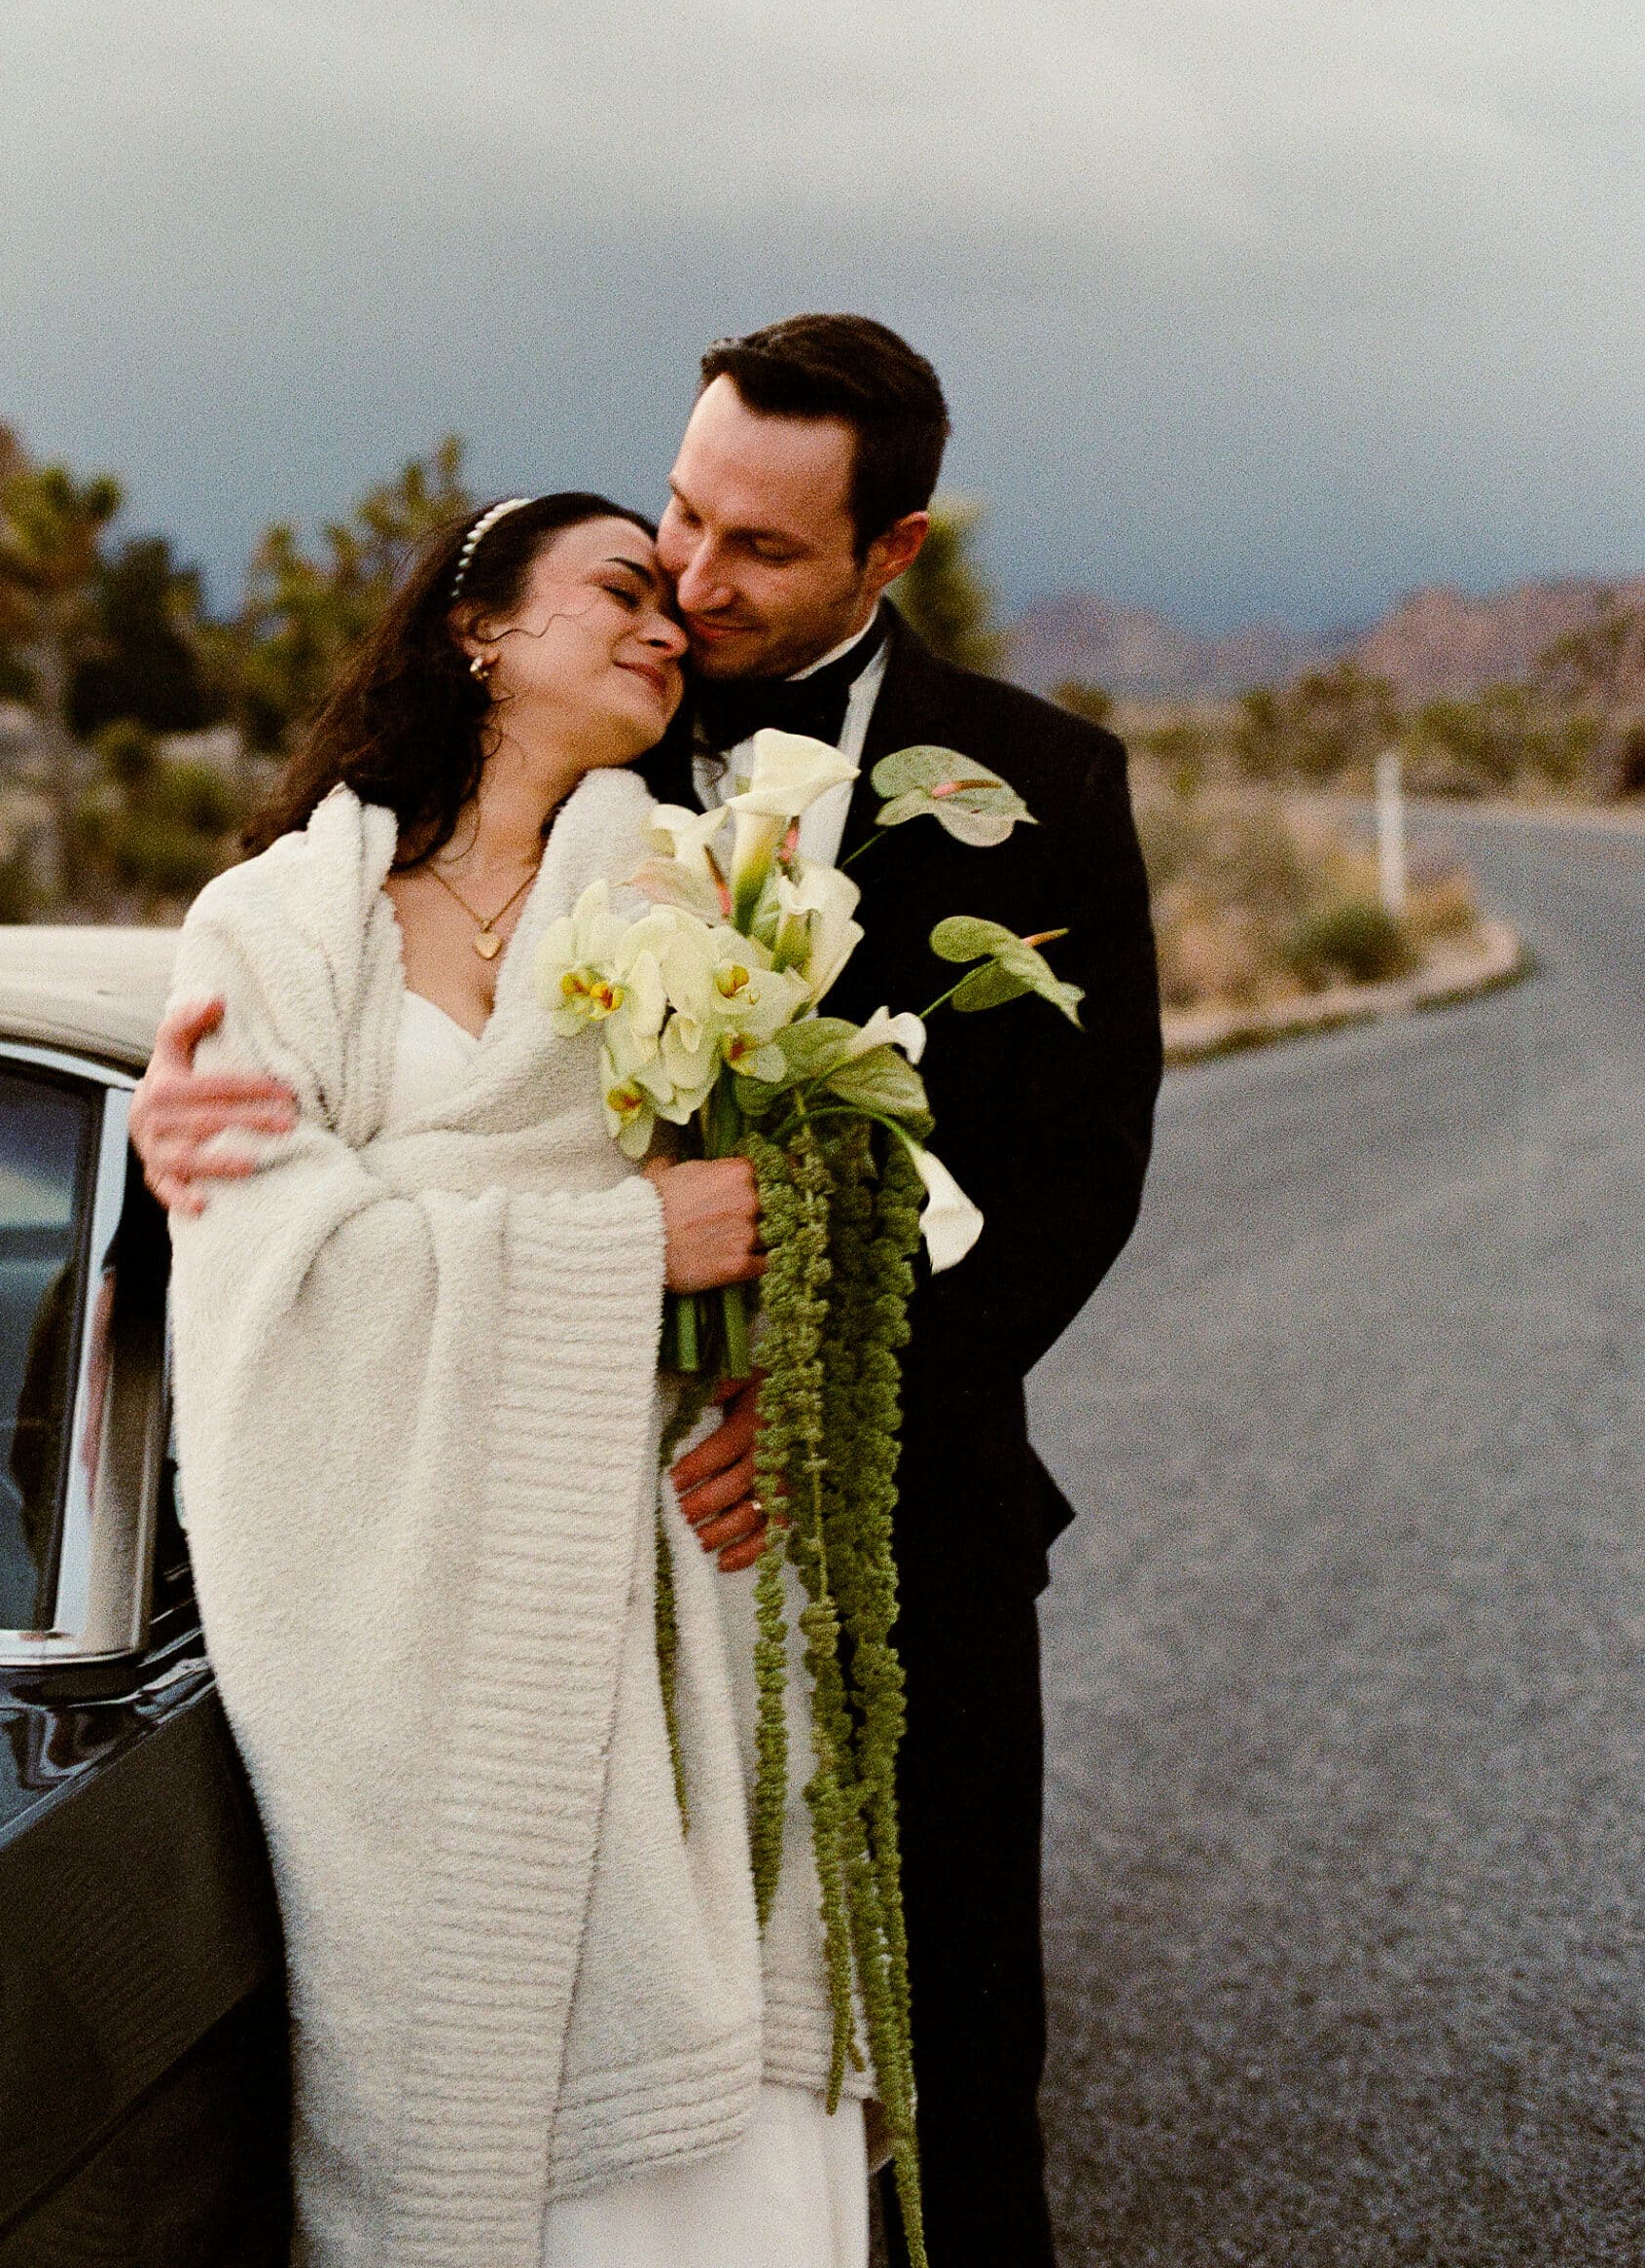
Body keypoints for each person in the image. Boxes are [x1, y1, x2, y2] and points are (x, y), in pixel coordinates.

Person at [136, 316, 1164, 2262]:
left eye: (754, 552)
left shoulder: (1037, 785)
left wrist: (817, 1387)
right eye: (677, 516)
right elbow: (310, 1008)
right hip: (504, 1555)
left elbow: (1063, 1176)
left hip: (879, 1508)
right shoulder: (585, 722)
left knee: (949, 2066)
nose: (689, 584)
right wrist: (162, 1115)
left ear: (889, 552)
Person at [158, 490, 876, 2268]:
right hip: (393, 1601)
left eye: (671, 606)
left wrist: (770, 1375)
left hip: (655, 1588)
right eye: (619, 590)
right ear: (477, 630)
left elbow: (795, 1220)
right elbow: (263, 1254)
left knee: (702, 2134)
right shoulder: (275, 923)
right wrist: (624, 1245)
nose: (664, 625)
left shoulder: (714, 902)